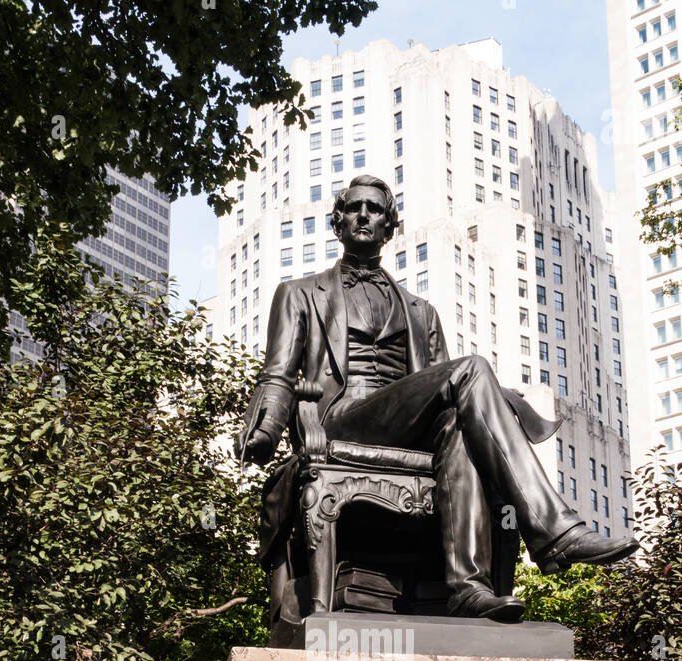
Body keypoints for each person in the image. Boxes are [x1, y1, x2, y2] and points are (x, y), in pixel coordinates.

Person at [239, 175, 638, 627]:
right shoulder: (299, 293)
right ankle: (556, 531)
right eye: (354, 208)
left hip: (405, 424)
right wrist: (267, 429)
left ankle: (468, 588)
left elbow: (450, 394)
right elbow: (277, 375)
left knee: (459, 428)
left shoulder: (420, 310)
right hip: (342, 418)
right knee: (472, 368)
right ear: (338, 221)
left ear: (390, 227)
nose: (364, 215)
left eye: (375, 209)